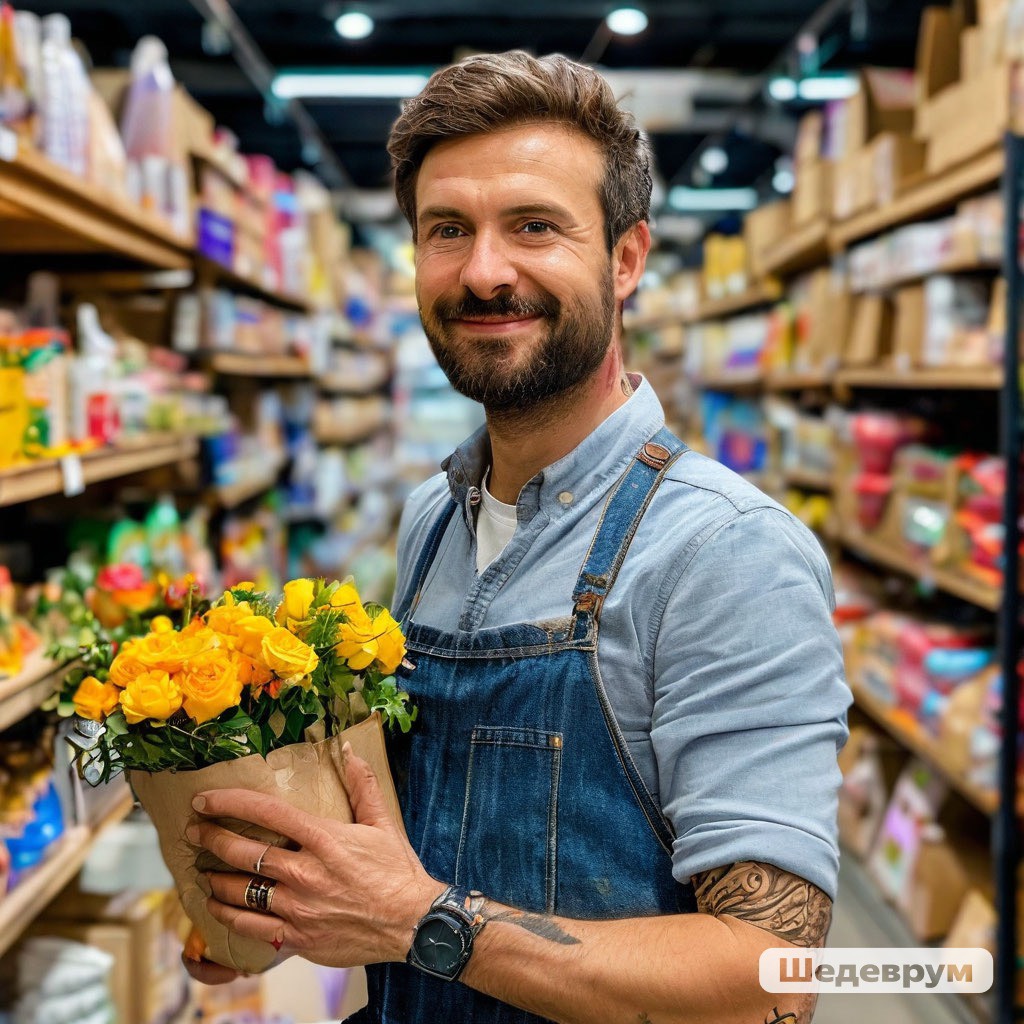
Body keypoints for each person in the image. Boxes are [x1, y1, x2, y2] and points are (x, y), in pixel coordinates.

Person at [184, 51, 851, 1024]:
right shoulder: (429, 516)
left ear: (625, 258)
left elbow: (774, 980)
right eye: (446, 230)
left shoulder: (723, 554)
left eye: (534, 226)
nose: (484, 271)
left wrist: (422, 922)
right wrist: (278, 886)